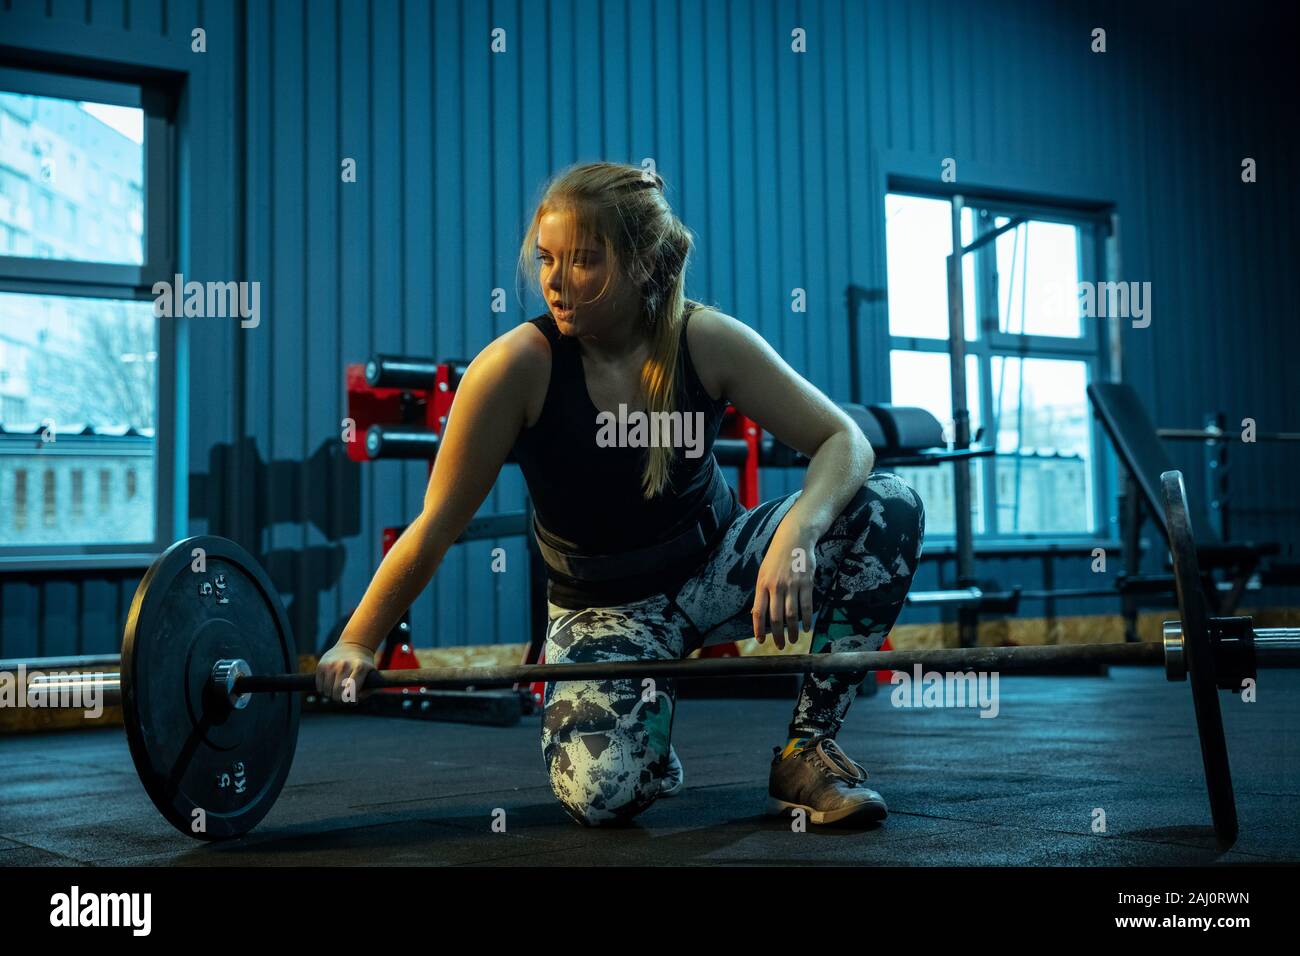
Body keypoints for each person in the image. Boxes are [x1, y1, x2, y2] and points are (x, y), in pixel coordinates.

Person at [317, 161, 925, 827]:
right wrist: (357, 641)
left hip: (718, 569)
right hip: (606, 610)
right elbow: (435, 525)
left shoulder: (706, 340)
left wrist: (799, 534)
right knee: (605, 798)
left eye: (583, 260)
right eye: (547, 258)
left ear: (643, 265)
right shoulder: (515, 370)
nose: (554, 279)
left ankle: (808, 750)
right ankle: (646, 742)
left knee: (887, 503)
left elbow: (846, 441)